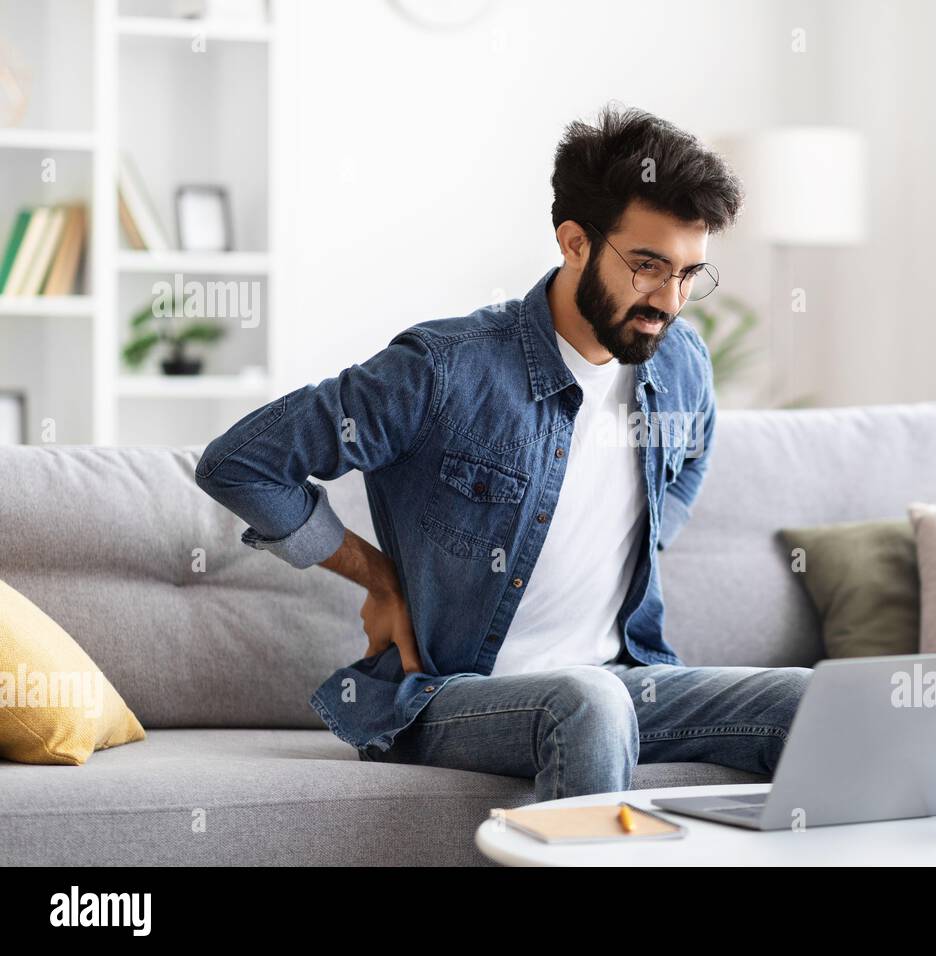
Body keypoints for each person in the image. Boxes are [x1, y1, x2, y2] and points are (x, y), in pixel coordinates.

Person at [194, 103, 811, 801]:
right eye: (646, 266)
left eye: (690, 272)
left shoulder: (681, 365)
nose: (669, 300)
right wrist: (380, 578)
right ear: (574, 241)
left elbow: (691, 457)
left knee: (811, 700)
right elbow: (240, 462)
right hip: (450, 698)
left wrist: (646, 536)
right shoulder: (444, 369)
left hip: (626, 680)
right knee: (588, 704)